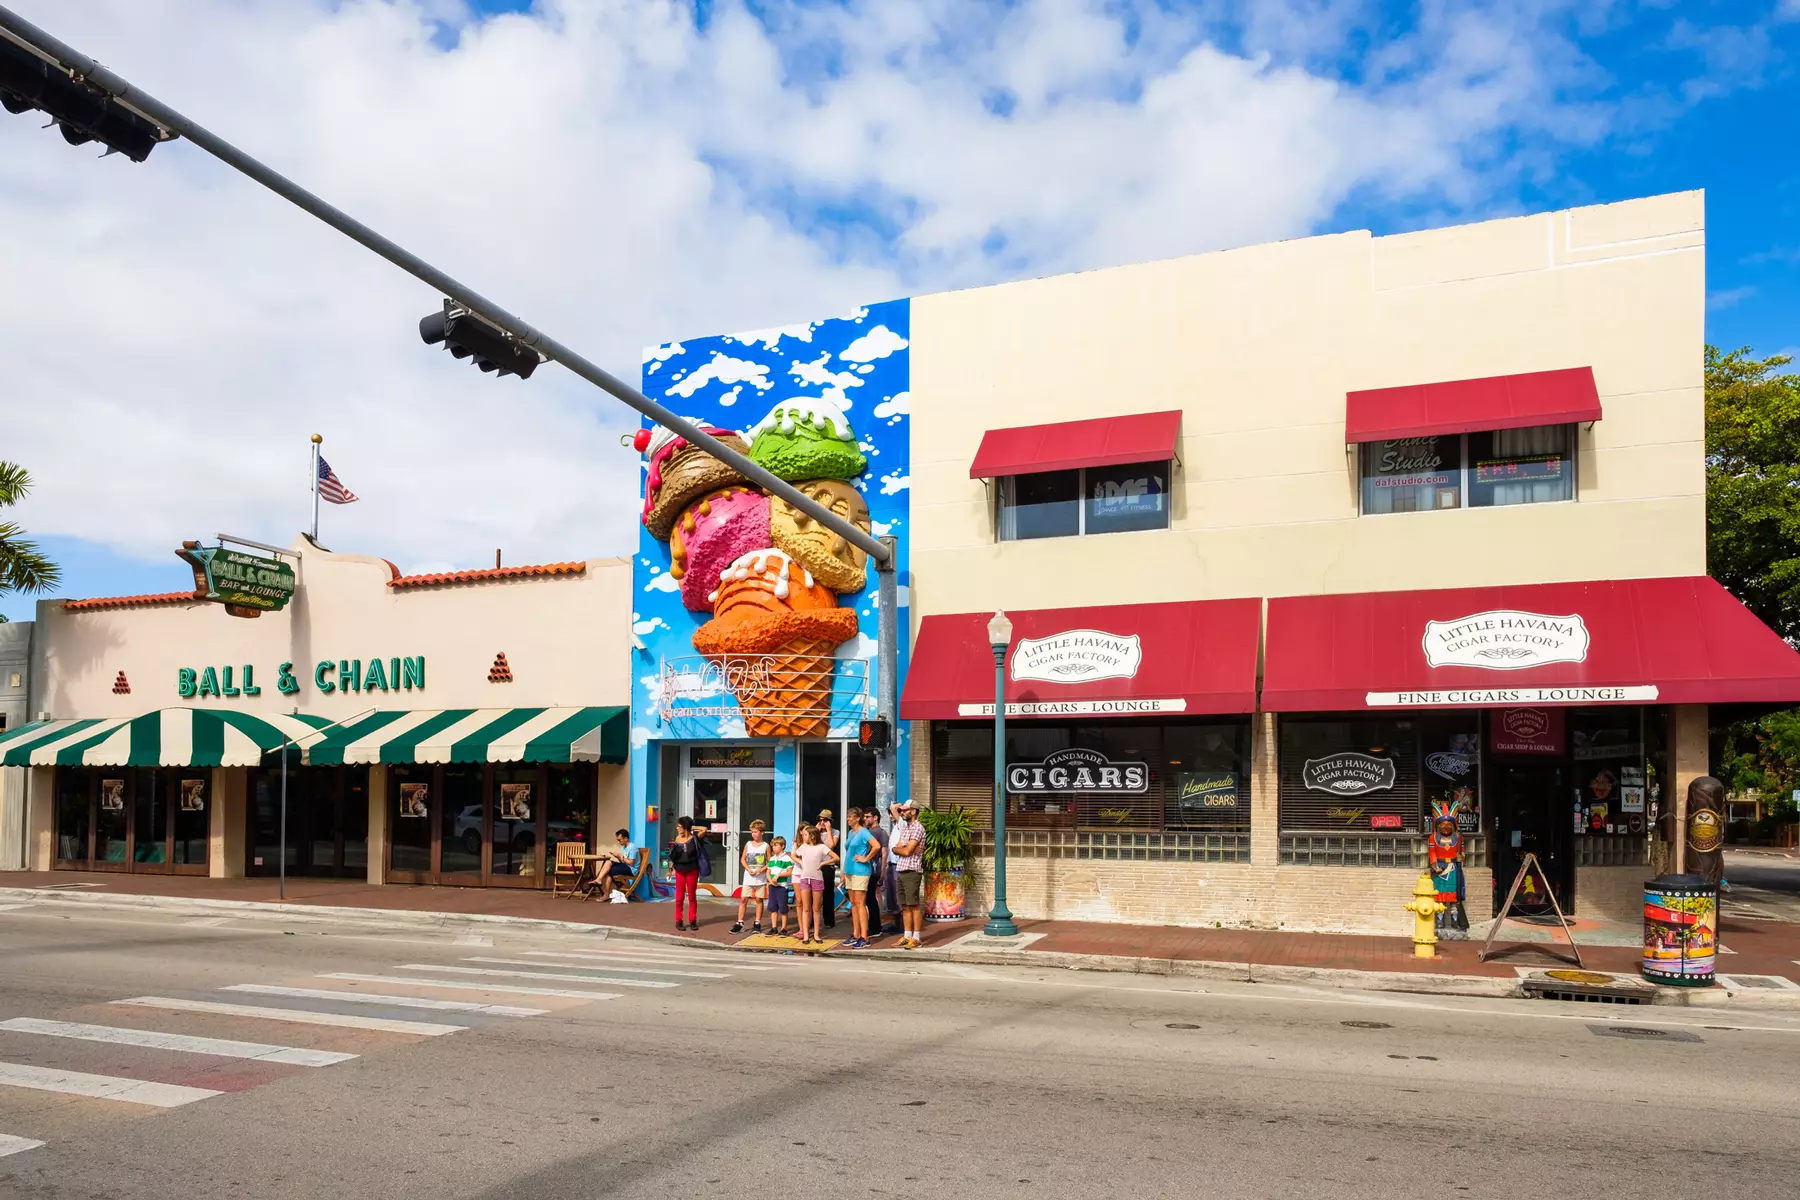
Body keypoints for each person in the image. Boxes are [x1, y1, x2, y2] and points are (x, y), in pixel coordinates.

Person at [791, 823, 839, 946]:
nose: (803, 836)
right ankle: (806, 935)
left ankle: (816, 934)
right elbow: (794, 855)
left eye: (806, 834)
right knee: (806, 908)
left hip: (817, 879)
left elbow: (836, 857)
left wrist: (823, 863)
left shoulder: (821, 847)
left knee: (816, 908)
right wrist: (801, 862)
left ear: (812, 836)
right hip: (804, 878)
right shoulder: (804, 847)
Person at [889, 801, 927, 949]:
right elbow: (897, 847)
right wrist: (898, 848)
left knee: (914, 905)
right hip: (901, 868)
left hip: (912, 870)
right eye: (902, 810)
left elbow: (906, 851)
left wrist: (900, 848)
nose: (902, 812)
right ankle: (907, 935)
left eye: (905, 810)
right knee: (904, 905)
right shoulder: (906, 828)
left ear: (914, 811)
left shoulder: (917, 828)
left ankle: (916, 937)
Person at [840, 808, 877, 948]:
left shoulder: (864, 832)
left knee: (860, 903)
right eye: (848, 817)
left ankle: (864, 936)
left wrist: (866, 858)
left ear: (857, 818)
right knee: (854, 904)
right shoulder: (851, 832)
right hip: (849, 870)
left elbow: (876, 846)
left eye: (850, 817)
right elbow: (848, 852)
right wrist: (843, 871)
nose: (848, 819)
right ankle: (856, 934)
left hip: (860, 871)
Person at [733, 819, 770, 934]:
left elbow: (770, 861)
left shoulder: (766, 846)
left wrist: (762, 869)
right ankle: (740, 922)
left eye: (756, 832)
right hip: (748, 876)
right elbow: (743, 859)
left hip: (760, 877)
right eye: (752, 832)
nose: (754, 834)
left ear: (761, 832)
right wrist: (748, 869)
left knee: (759, 899)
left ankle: (757, 922)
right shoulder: (748, 844)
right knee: (744, 898)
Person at [667, 815, 704, 931]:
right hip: (679, 870)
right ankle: (679, 921)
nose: (677, 829)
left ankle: (692, 920)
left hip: (692, 870)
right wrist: (670, 870)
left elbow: (704, 829)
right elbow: (673, 857)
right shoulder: (677, 839)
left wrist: (691, 827)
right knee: (679, 897)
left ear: (685, 827)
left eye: (679, 826)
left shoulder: (694, 838)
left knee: (692, 896)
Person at [861, 807, 889, 939]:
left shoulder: (880, 833)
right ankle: (871, 925)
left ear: (875, 817)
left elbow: (884, 853)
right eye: (864, 817)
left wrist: (882, 872)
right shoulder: (866, 831)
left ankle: (875, 927)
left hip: (873, 870)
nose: (865, 819)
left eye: (867, 817)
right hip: (865, 869)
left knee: (870, 899)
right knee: (866, 899)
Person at [599, 828, 648, 899]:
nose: (619, 842)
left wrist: (620, 856)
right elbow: (622, 862)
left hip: (632, 870)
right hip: (626, 867)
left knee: (609, 871)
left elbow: (631, 863)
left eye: (619, 840)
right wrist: (618, 857)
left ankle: (606, 894)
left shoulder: (632, 847)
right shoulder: (623, 848)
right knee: (608, 862)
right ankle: (599, 880)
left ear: (626, 838)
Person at [815, 808, 840, 929]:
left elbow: (831, 845)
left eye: (825, 820)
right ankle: (811, 921)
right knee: (813, 894)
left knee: (828, 894)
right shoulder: (816, 831)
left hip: (827, 865)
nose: (822, 822)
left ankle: (829, 920)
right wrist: (816, 831)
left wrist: (828, 830)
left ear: (830, 821)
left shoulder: (835, 832)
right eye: (820, 819)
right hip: (815, 865)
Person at [766, 836, 794, 938]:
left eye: (776, 845)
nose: (773, 847)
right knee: (773, 907)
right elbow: (768, 872)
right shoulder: (772, 859)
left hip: (782, 887)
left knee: (783, 908)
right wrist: (770, 880)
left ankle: (784, 928)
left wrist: (778, 876)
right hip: (772, 886)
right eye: (772, 845)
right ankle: (774, 928)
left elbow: (790, 872)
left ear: (782, 846)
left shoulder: (786, 858)